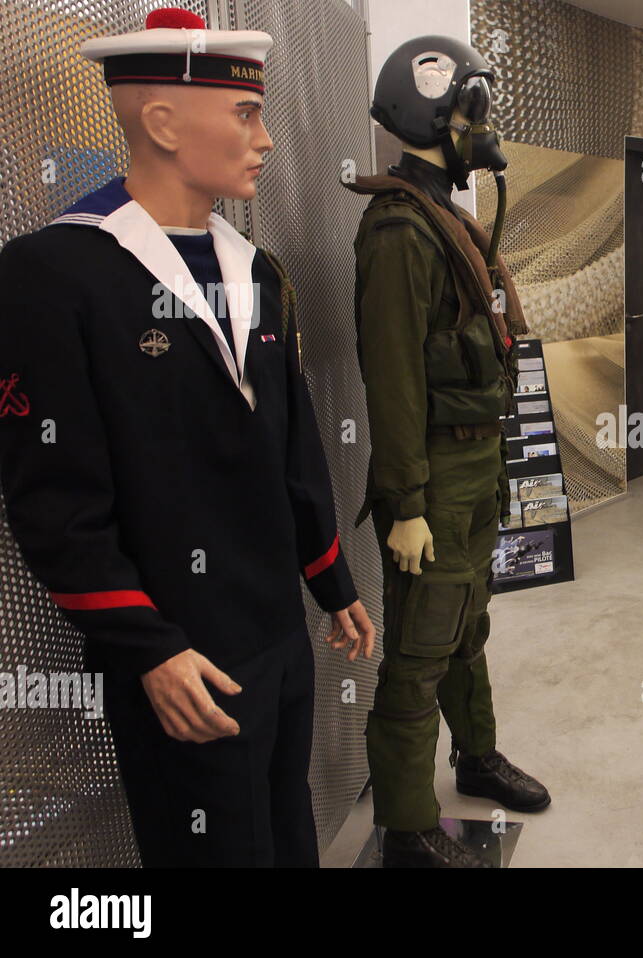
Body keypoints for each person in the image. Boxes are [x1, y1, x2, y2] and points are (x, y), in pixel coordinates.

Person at [0, 7, 374, 867]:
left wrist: (332, 581)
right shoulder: (56, 272)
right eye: (246, 114)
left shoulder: (256, 269)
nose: (268, 139)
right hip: (181, 649)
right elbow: (53, 500)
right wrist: (149, 649)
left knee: (289, 834)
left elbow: (292, 446)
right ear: (163, 122)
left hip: (277, 629)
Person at [343, 36, 550, 868]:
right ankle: (403, 820)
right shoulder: (397, 232)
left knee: (467, 627)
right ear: (439, 115)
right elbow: (390, 383)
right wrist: (408, 504)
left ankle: (474, 757)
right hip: (432, 474)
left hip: (475, 466)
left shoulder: (447, 218)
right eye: (476, 109)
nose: (485, 126)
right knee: (420, 649)